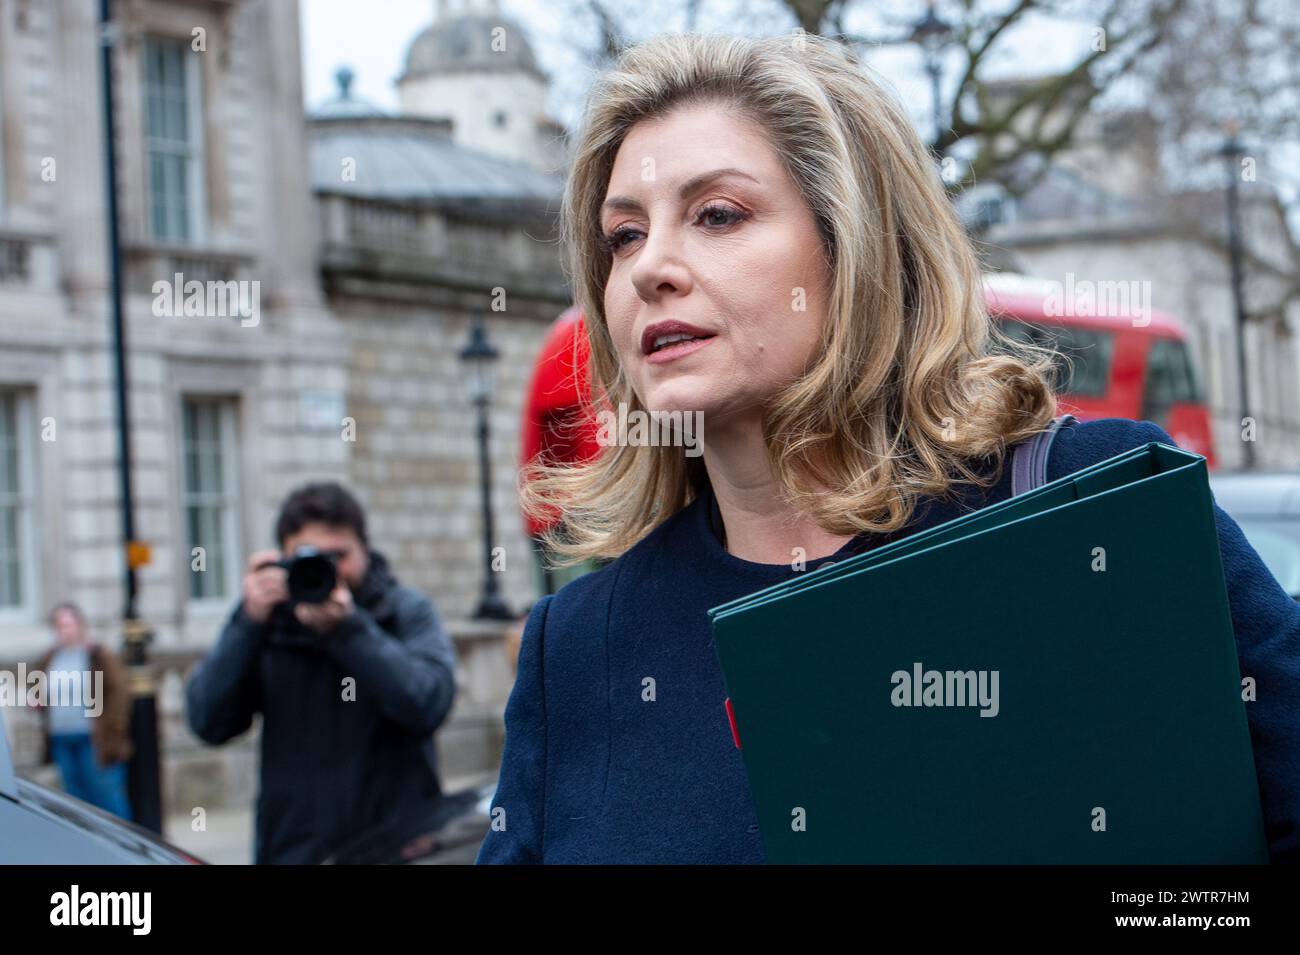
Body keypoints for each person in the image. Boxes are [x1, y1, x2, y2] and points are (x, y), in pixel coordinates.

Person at [476, 32, 1300, 864]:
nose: (651, 266)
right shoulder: (577, 645)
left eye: (717, 214)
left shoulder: (1098, 512)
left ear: (857, 244)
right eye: (622, 236)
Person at [185, 481, 457, 864]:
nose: (328, 570)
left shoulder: (404, 611)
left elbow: (428, 703)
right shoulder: (266, 624)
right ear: (283, 560)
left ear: (365, 549)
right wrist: (247, 623)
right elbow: (207, 721)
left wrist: (348, 631)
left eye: (339, 555)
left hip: (396, 849)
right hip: (296, 852)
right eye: (310, 558)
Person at [32, 602, 133, 821]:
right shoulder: (50, 658)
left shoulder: (97, 655)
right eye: (60, 626)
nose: (65, 630)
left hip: (93, 739)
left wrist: (114, 730)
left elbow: (118, 694)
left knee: (106, 798)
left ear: (80, 626)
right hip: (61, 738)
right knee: (75, 802)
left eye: (69, 624)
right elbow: (38, 690)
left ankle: (123, 850)